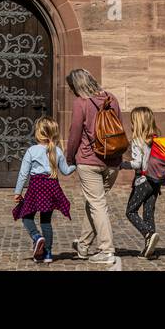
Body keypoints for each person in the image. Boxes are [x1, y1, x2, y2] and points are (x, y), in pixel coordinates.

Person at [65, 68, 124, 264]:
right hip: (113, 161)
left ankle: (106, 250)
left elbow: (74, 134)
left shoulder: (81, 103)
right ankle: (83, 245)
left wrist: (70, 157)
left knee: (97, 204)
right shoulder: (111, 98)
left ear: (77, 85)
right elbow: (119, 128)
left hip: (89, 161)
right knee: (95, 203)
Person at [12, 115, 76, 263]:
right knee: (46, 221)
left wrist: (17, 192)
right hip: (51, 187)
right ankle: (47, 254)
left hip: (36, 187)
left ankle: (36, 236)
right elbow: (66, 171)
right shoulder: (58, 151)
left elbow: (23, 174)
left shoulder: (32, 150)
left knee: (26, 216)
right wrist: (76, 164)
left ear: (38, 133)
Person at [121, 105, 161, 260]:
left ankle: (149, 234)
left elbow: (137, 164)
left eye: (132, 121)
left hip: (143, 181)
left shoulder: (137, 141)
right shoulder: (156, 138)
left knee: (130, 211)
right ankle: (150, 250)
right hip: (155, 182)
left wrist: (123, 165)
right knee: (148, 213)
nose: (131, 124)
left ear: (137, 123)